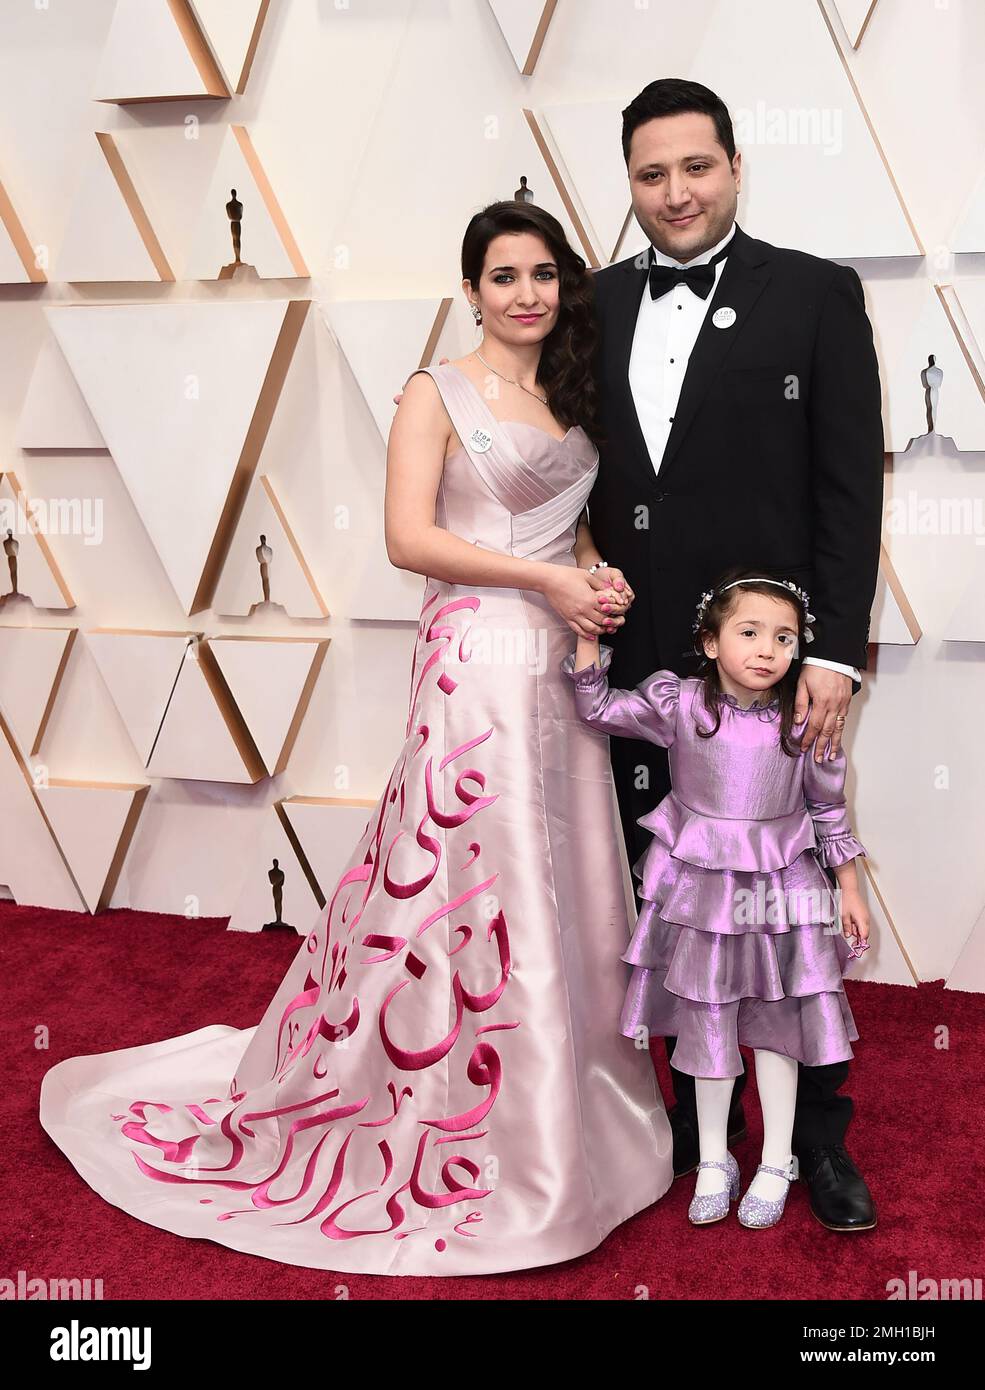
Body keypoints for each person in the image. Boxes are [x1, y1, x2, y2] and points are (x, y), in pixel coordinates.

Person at [39, 200, 673, 1277]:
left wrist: (594, 573)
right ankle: (459, 1109)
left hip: (559, 664)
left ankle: (567, 1108)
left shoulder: (573, 395)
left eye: (542, 275)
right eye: (502, 274)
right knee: (481, 866)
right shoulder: (435, 392)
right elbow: (408, 539)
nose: (525, 293)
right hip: (473, 654)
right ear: (469, 287)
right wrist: (546, 579)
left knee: (560, 869)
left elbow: (573, 524)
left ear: (563, 285)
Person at [579, 78, 883, 1229]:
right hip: (643, 659)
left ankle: (815, 1135)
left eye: (694, 167)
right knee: (673, 897)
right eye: (651, 174)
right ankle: (687, 1124)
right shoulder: (591, 306)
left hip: (773, 665)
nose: (675, 192)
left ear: (736, 166)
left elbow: (850, 491)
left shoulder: (813, 295)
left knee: (789, 904)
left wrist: (834, 655)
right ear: (630, 184)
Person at [561, 568, 871, 1228]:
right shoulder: (680, 704)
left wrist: (848, 888)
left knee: (781, 1028)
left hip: (781, 895)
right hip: (700, 895)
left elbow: (827, 808)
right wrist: (586, 642)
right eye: (749, 632)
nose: (766, 649)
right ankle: (711, 1159)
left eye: (783, 637)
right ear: (709, 642)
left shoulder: (803, 719)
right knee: (706, 1020)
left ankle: (777, 1160)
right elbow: (599, 710)